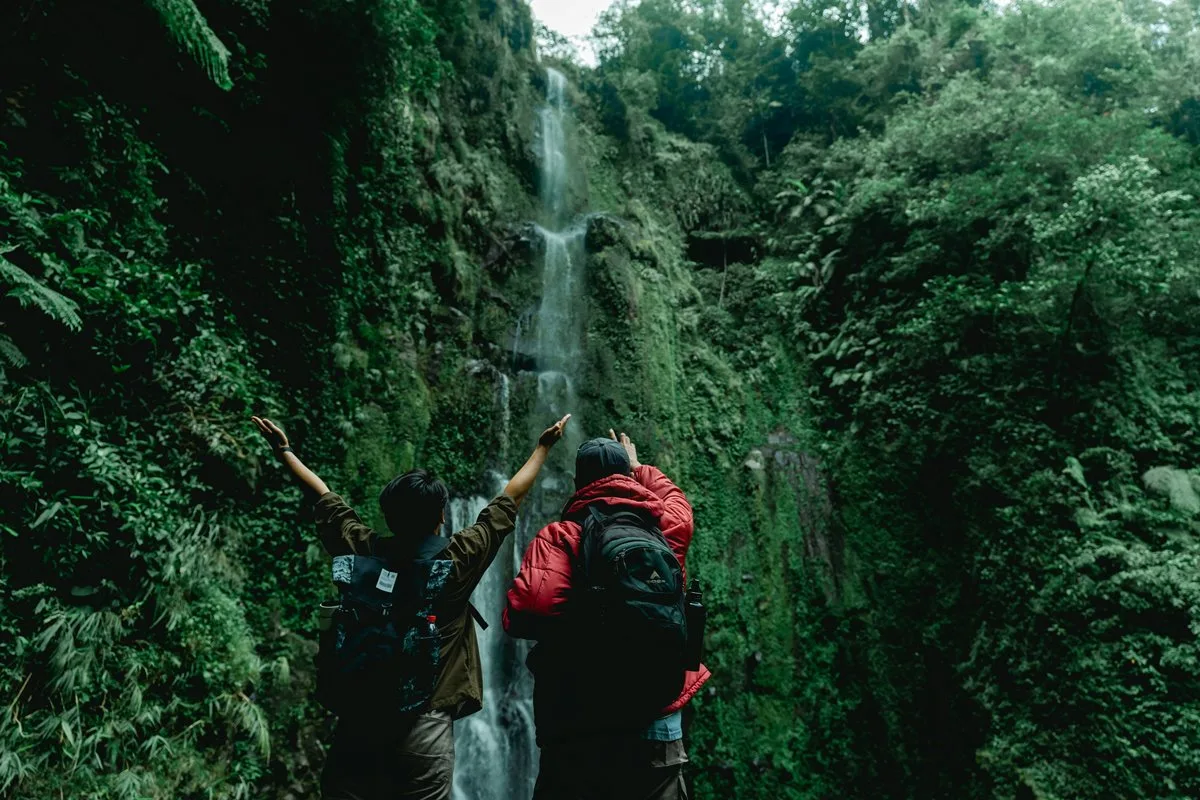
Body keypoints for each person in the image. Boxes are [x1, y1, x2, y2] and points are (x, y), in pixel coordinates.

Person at [250, 412, 571, 800]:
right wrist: (543, 446)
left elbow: (324, 499)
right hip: (425, 728)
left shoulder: (362, 549)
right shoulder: (458, 559)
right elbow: (508, 500)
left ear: (387, 515)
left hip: (360, 722)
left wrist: (284, 451)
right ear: (441, 517)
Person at [503, 429, 711, 800]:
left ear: (577, 483)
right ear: (628, 476)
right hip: (657, 715)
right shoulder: (667, 528)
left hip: (583, 723)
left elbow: (527, 611)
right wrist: (640, 466)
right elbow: (679, 505)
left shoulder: (562, 536)